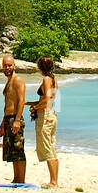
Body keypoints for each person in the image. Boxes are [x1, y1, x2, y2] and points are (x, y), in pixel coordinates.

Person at [29, 56, 60, 186]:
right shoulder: (54, 80)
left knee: (47, 148)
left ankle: (53, 182)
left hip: (45, 116)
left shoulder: (46, 79)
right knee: (52, 147)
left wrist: (35, 108)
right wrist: (30, 103)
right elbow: (51, 100)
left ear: (40, 67)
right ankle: (54, 180)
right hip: (52, 114)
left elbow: (46, 101)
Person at [0, 54, 26, 184]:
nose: (7, 68)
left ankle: (21, 179)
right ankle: (16, 178)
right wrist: (2, 124)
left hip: (15, 118)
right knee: (13, 152)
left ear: (14, 66)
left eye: (9, 65)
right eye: (5, 66)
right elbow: (7, 104)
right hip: (8, 119)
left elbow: (21, 101)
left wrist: (17, 120)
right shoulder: (8, 81)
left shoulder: (18, 80)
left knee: (19, 149)